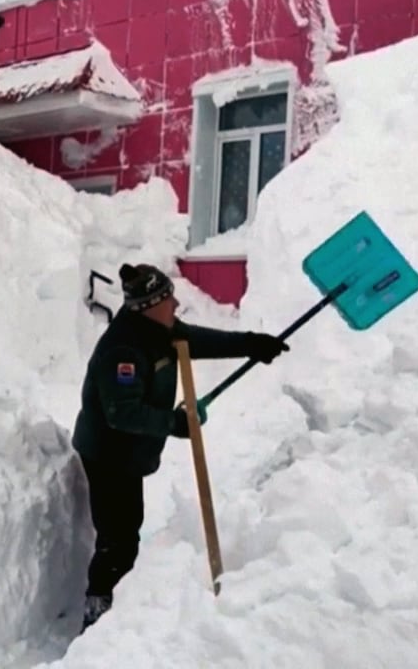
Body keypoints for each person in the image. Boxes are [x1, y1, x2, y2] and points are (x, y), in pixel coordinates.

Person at [71, 262, 290, 630]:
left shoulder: (158, 329)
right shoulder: (123, 350)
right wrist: (173, 423)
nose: (175, 304)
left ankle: (118, 611)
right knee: (117, 539)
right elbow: (122, 414)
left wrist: (252, 344)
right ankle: (97, 617)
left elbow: (199, 341)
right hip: (108, 456)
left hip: (128, 456)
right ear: (149, 305)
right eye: (167, 298)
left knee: (126, 530)